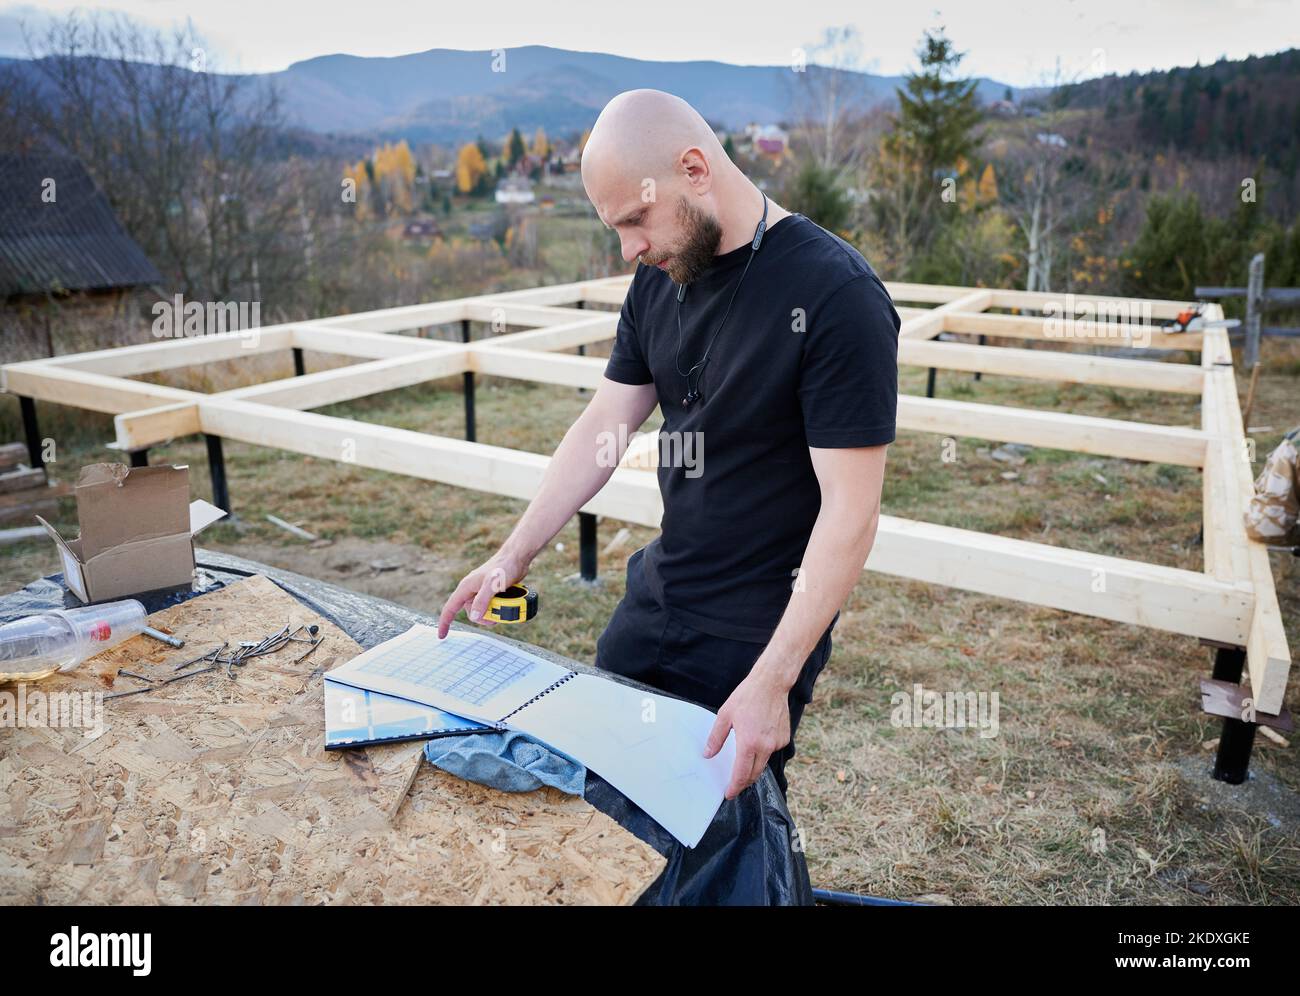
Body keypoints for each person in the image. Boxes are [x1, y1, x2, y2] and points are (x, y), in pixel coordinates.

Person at [438, 88, 898, 800]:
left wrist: (774, 679)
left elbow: (852, 511)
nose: (629, 249)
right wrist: (511, 555)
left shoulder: (836, 295)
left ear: (692, 169)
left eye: (634, 220)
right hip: (655, 601)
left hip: (754, 636)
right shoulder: (662, 276)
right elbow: (604, 427)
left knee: (705, 839)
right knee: (595, 801)